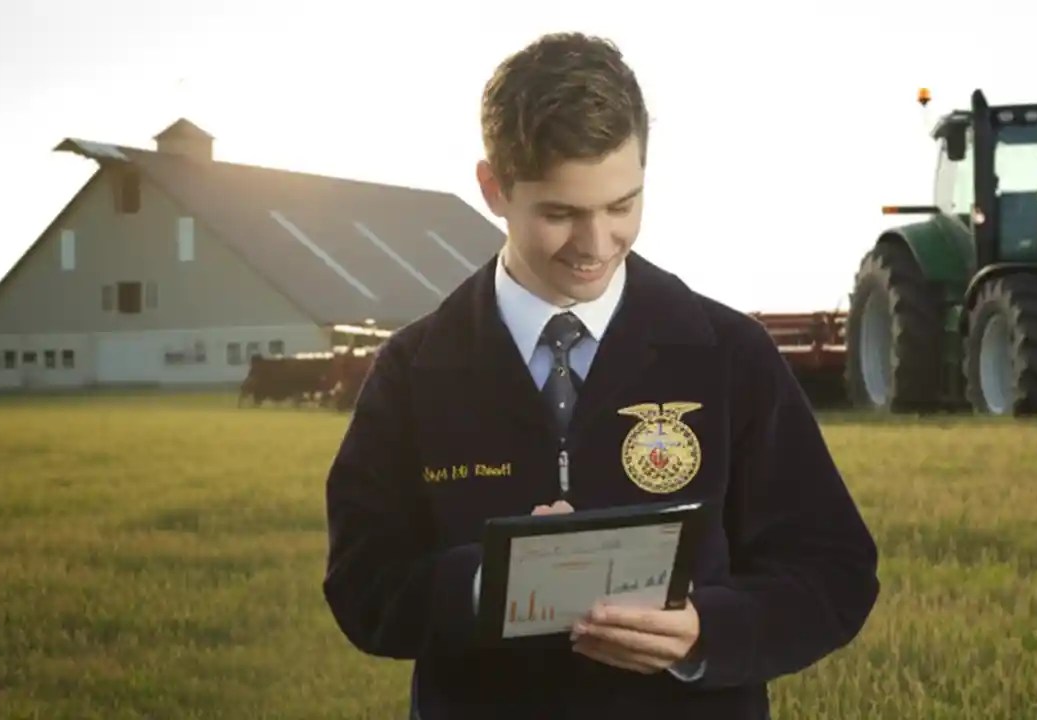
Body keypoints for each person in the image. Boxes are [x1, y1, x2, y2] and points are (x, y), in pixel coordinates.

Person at [322, 32, 879, 720]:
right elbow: (360, 585)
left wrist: (708, 633)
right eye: (560, 214)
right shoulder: (413, 372)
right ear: (493, 188)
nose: (595, 246)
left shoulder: (730, 354)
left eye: (622, 206)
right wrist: (487, 583)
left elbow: (835, 571)